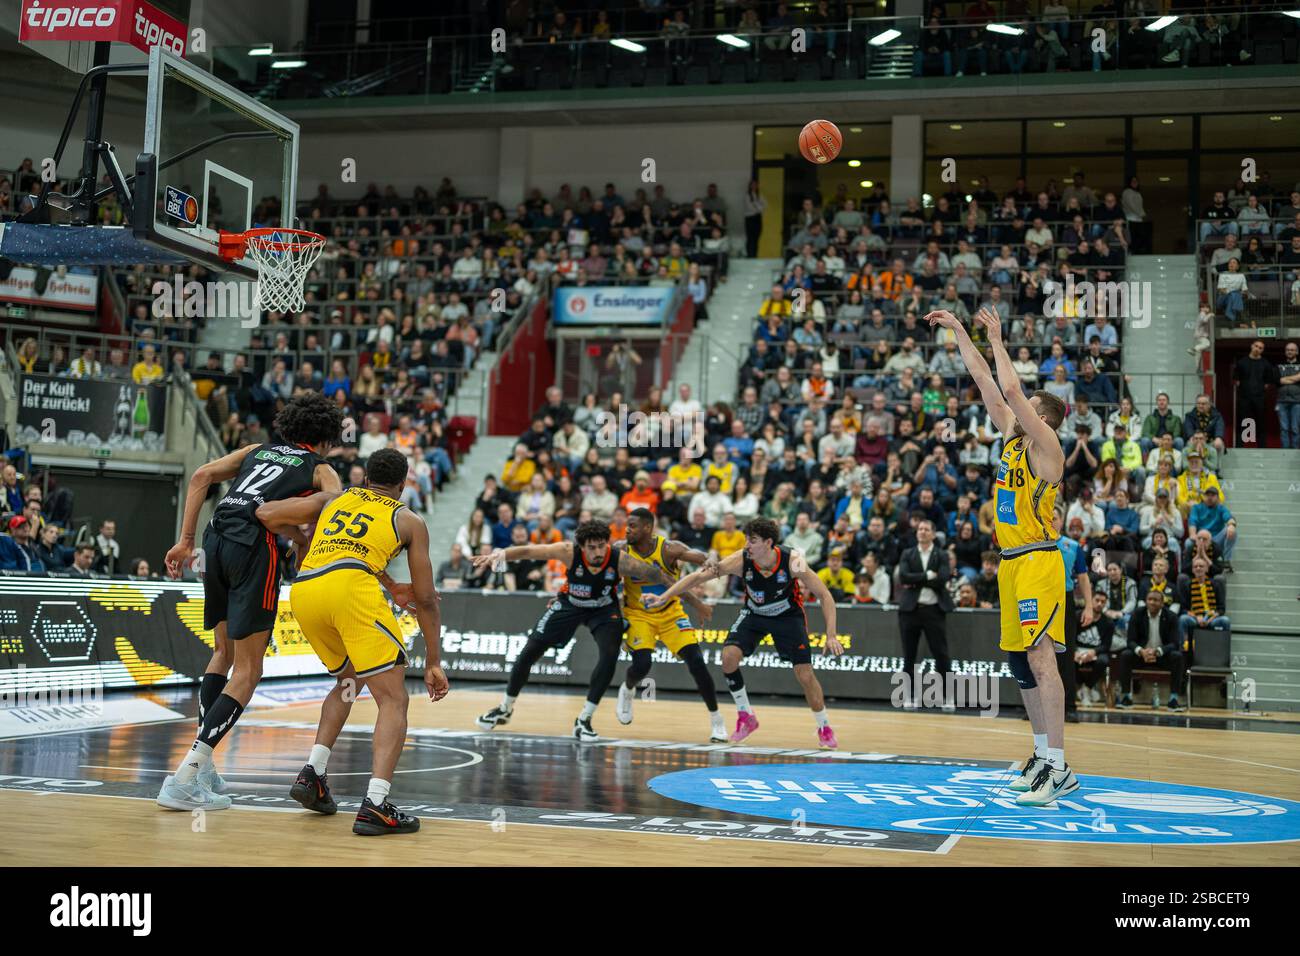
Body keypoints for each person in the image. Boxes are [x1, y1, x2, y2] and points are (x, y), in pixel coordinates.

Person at [157, 393, 343, 811]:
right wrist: (301, 527)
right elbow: (335, 500)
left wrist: (185, 540)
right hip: (253, 550)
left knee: (222, 652)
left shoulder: (257, 450)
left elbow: (202, 475)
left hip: (213, 539)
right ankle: (184, 778)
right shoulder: (320, 467)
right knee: (250, 669)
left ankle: (202, 768)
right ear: (326, 436)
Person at [255, 448, 448, 835]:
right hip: (350, 591)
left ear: (364, 477)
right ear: (402, 483)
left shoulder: (336, 499)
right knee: (393, 699)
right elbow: (426, 599)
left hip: (307, 590)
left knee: (348, 680)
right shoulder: (408, 519)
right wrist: (433, 661)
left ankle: (313, 772)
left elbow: (268, 514)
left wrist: (389, 585)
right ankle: (376, 804)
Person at [927, 306, 1074, 806]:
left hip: (1038, 561)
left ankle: (1057, 766)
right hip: (1010, 563)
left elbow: (1010, 388)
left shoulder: (1046, 445)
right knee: (1020, 662)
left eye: (1028, 407)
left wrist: (997, 335)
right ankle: (1040, 755)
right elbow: (984, 377)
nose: (1015, 408)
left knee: (1042, 659)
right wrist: (961, 332)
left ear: (1042, 417)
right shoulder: (1013, 440)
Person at [645, 517, 845, 748]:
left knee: (804, 674)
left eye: (753, 541)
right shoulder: (740, 560)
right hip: (755, 614)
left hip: (787, 616)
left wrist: (831, 634)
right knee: (728, 657)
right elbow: (697, 577)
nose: (747, 545)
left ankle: (824, 726)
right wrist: (663, 597)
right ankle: (745, 716)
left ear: (769, 542)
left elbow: (825, 595)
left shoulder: (793, 561)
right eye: (746, 540)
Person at [472, 520, 668, 740]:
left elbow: (658, 575)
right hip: (570, 604)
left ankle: (584, 718)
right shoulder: (568, 552)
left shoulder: (619, 559)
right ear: (582, 547)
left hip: (603, 609)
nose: (598, 552)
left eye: (602, 545)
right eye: (592, 547)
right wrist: (497, 556)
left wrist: (691, 595)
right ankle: (505, 708)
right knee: (529, 652)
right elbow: (528, 550)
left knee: (609, 656)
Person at [614, 509, 725, 741]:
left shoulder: (669, 548)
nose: (627, 530)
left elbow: (700, 556)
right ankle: (628, 688)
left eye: (632, 526)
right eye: (627, 525)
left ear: (647, 527)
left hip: (671, 613)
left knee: (696, 661)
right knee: (642, 664)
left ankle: (717, 720)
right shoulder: (621, 549)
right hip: (638, 614)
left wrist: (710, 560)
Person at [895, 519, 955, 710]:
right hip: (910, 611)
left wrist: (916, 580)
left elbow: (944, 578)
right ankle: (910, 695)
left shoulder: (941, 554)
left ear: (933, 533)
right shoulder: (907, 553)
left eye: (926, 529)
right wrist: (928, 576)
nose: (922, 532)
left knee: (941, 654)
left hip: (934, 610)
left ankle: (947, 696)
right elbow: (903, 576)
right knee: (909, 656)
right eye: (920, 529)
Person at [1116, 589, 1185, 711]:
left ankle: (1173, 699)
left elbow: (1175, 643)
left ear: (1162, 603)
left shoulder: (1171, 617)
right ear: (1146, 602)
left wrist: (1157, 651)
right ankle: (1126, 696)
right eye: (1149, 599)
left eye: (1156, 600)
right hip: (1142, 655)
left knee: (1177, 656)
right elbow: (1130, 641)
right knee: (1125, 655)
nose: (1152, 602)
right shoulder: (1137, 614)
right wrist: (1141, 651)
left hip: (1162, 655)